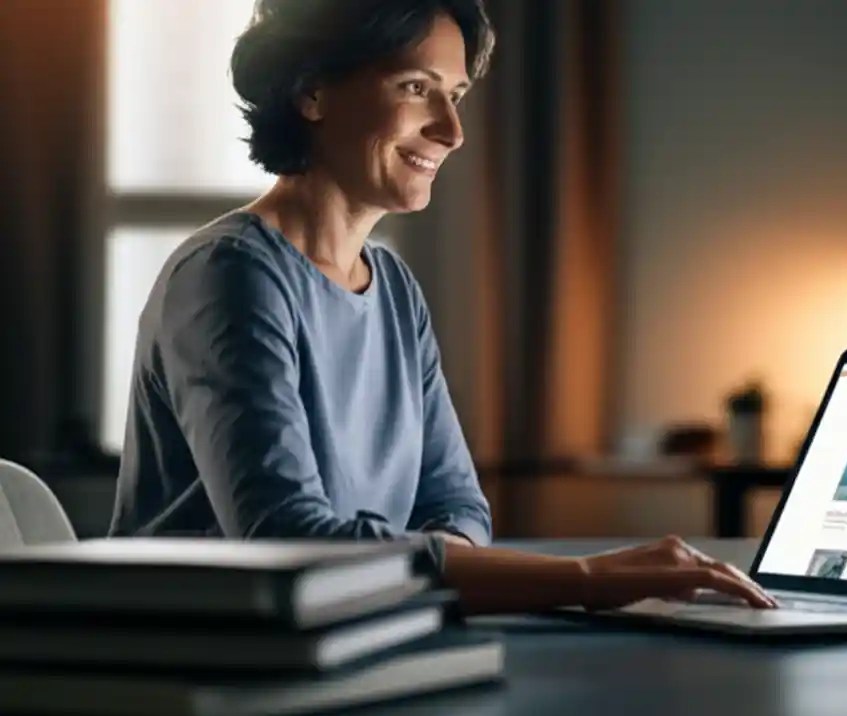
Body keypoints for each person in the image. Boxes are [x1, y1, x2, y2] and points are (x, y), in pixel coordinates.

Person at [108, 0, 776, 613]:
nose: (452, 130)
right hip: (209, 659)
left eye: (455, 95)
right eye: (415, 87)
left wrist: (430, 561)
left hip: (363, 633)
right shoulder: (227, 275)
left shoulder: (393, 287)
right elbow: (286, 539)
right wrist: (589, 581)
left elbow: (456, 504)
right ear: (311, 90)